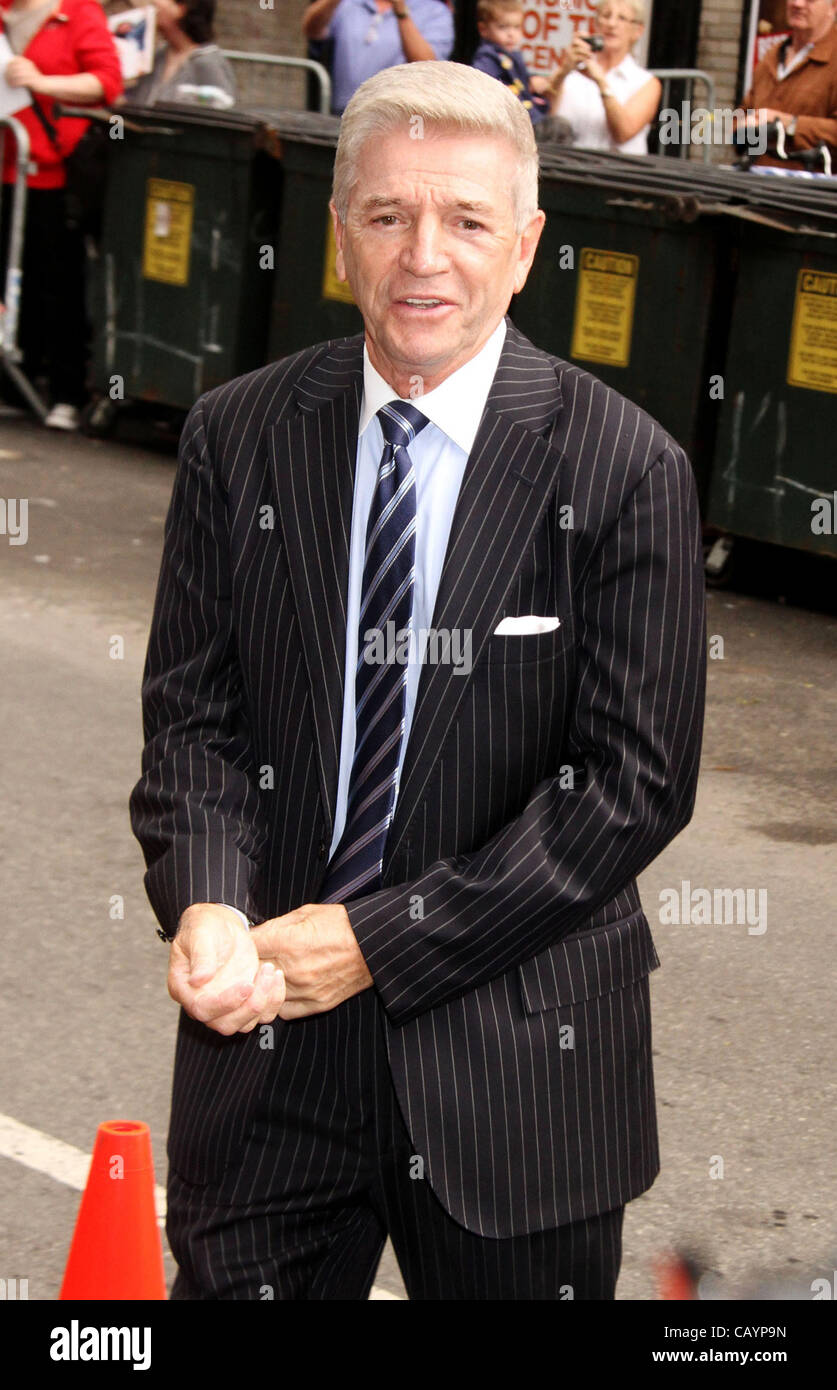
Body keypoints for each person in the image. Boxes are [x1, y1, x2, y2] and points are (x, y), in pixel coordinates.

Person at [130, 60, 706, 1302]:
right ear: (338, 235)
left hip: (518, 1073)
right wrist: (210, 899)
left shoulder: (623, 469)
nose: (423, 257)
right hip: (270, 1050)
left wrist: (380, 942)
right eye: (388, 216)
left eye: (466, 221)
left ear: (528, 243)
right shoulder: (240, 437)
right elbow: (194, 717)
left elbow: (629, 791)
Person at [0, 0, 122, 429]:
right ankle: (19, 379)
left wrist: (41, 80)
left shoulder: (78, 12)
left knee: (58, 279)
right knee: (12, 279)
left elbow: (108, 82)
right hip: (6, 164)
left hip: (52, 168)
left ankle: (67, 390)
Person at [301, 0, 454, 115]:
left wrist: (401, 12)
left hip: (394, 119)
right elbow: (312, 30)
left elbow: (426, 64)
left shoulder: (434, 11)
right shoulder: (350, 3)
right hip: (342, 115)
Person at [551, 0, 661, 154]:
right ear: (596, 23)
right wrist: (563, 72)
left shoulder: (646, 83)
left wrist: (601, 82)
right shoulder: (574, 74)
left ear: (638, 31)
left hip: (615, 174)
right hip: (566, 169)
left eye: (621, 18)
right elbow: (546, 117)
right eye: (606, 16)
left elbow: (623, 133)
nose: (611, 24)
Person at [738, 0, 837, 168]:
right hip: (757, 185)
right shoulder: (772, 55)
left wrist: (789, 125)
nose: (797, 4)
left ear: (833, 7)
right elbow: (743, 114)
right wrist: (739, 129)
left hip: (810, 190)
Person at [471, 0, 572, 143]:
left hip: (526, 118)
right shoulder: (488, 58)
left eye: (516, 27)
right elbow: (483, 85)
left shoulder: (512, 56)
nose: (511, 34)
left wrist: (531, 84)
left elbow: (520, 84)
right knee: (559, 128)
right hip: (511, 123)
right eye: (503, 27)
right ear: (483, 29)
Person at [126, 0, 235, 109]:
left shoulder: (207, 65)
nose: (153, 2)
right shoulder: (155, 59)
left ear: (182, 7)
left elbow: (215, 118)